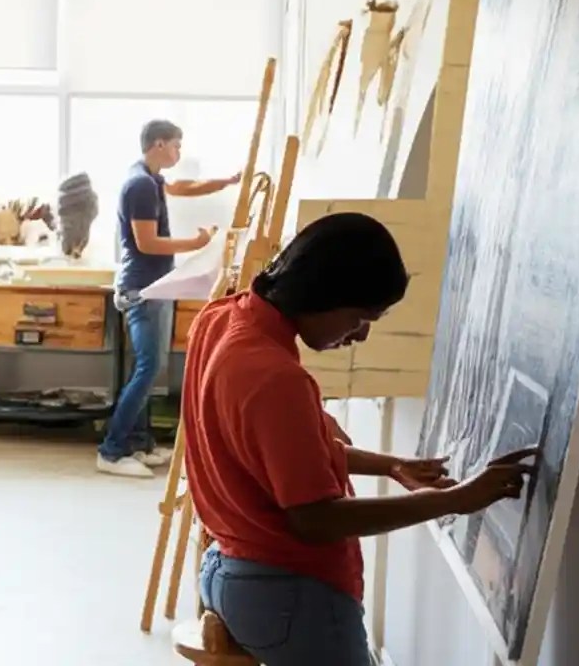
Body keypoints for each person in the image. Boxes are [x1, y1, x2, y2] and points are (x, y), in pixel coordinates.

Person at [182, 211, 537, 665]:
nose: (362, 334)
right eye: (361, 316)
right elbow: (315, 520)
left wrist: (390, 465)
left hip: (230, 572)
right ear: (326, 293)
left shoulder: (221, 320)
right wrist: (454, 500)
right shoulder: (275, 377)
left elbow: (276, 454)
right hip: (287, 592)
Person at [98, 119, 241, 477]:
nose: (179, 151)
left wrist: (225, 182)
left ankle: (139, 443)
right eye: (177, 145)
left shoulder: (150, 178)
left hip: (152, 284)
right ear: (159, 144)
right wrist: (195, 245)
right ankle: (112, 451)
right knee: (148, 369)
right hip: (143, 288)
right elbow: (146, 243)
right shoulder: (141, 185)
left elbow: (183, 187)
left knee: (149, 367)